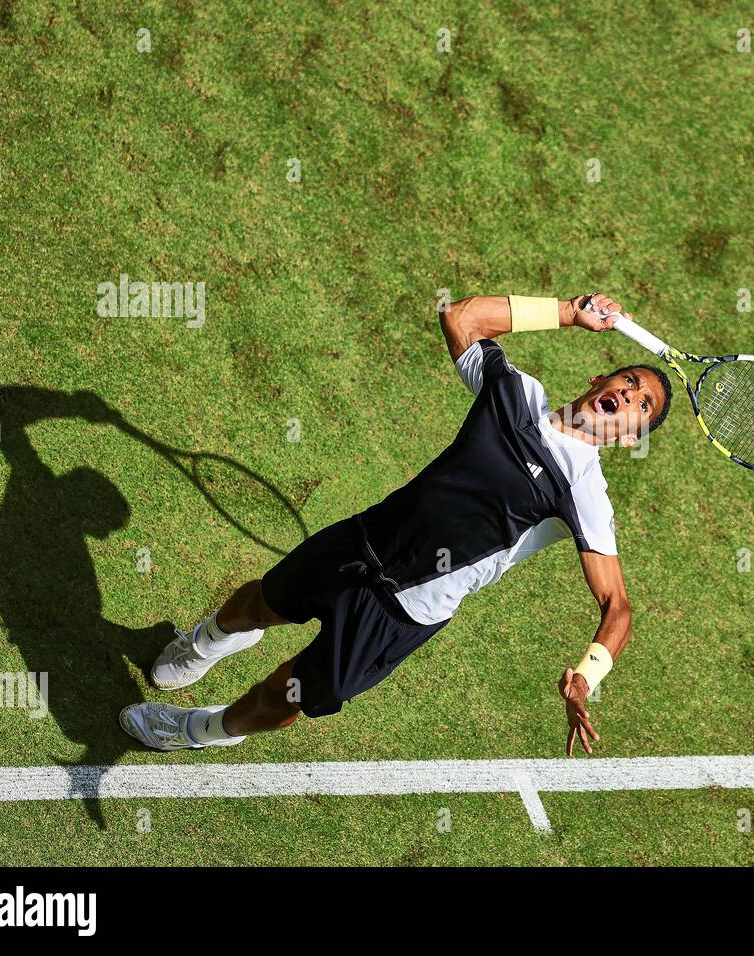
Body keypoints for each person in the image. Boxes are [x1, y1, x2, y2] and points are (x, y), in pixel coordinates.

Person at [119, 292, 672, 757]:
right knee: (257, 602)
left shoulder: (583, 493)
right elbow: (460, 318)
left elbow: (616, 607)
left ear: (629, 437)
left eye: (640, 406)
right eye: (627, 381)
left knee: (288, 695)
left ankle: (198, 730)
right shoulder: (516, 394)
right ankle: (206, 643)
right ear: (601, 378)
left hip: (403, 612)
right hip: (363, 541)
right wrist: (570, 311)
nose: (626, 395)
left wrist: (587, 674)